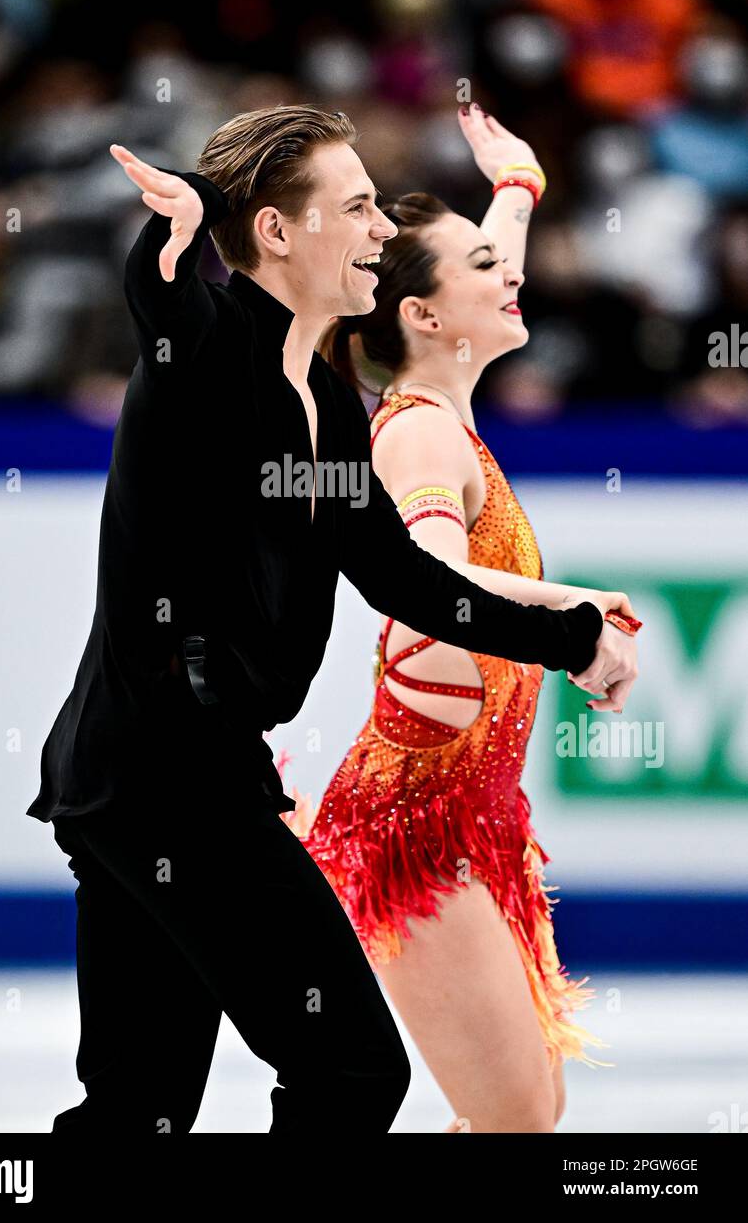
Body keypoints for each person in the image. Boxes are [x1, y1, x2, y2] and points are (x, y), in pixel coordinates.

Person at [26, 104, 633, 1134]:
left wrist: (568, 639)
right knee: (349, 1070)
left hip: (151, 780)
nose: (378, 234)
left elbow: (400, 575)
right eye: (354, 209)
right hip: (169, 780)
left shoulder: (326, 398)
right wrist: (180, 225)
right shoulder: (207, 347)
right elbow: (164, 298)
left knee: (139, 1109)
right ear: (276, 232)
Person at [282, 103, 640, 1133]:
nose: (510, 273)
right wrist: (573, 611)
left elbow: (485, 260)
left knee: (525, 1106)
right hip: (410, 825)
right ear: (425, 318)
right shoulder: (420, 440)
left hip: (472, 814)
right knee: (517, 1117)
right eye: (485, 267)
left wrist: (517, 185)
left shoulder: (446, 404)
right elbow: (427, 579)